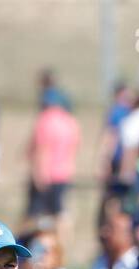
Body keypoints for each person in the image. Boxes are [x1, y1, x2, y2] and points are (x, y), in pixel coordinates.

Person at [26, 89, 80, 221]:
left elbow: (41, 149)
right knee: (59, 212)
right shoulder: (71, 121)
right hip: (64, 174)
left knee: (35, 215)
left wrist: (38, 174)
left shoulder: (45, 120)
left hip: (47, 174)